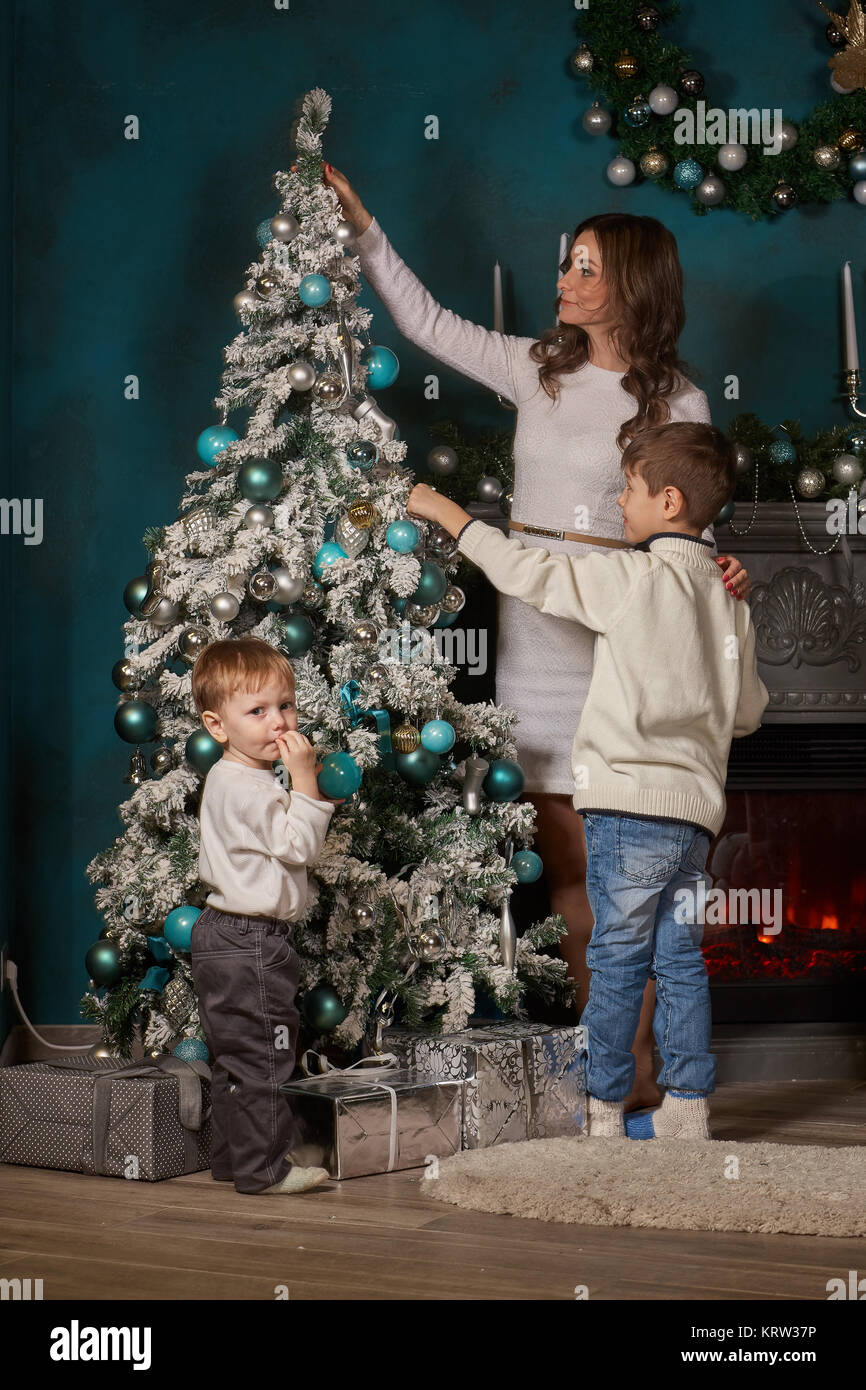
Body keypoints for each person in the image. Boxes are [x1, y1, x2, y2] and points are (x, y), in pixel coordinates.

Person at [321, 162, 750, 1112]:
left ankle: (636, 1071)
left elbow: (690, 516)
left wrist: (718, 570)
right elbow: (424, 323)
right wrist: (364, 228)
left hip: (627, 644)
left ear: (633, 282)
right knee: (571, 871)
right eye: (567, 264)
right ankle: (615, 1071)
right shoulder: (535, 368)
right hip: (537, 638)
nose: (566, 280)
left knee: (633, 876)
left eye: (587, 268)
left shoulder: (678, 399)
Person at [406, 419, 769, 1140]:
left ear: (668, 502)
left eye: (628, 492)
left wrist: (448, 514)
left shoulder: (631, 578)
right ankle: (687, 1111)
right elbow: (748, 713)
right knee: (682, 964)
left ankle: (603, 1114)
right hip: (695, 818)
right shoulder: (731, 603)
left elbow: (526, 574)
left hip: (627, 811)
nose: (618, 507)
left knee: (616, 965)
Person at [190, 636, 344, 1193]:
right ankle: (266, 1171)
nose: (277, 722)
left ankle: (236, 1160)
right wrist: (306, 782)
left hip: (225, 937)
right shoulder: (245, 787)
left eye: (286, 706)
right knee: (268, 1056)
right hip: (250, 941)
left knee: (237, 1059)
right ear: (217, 726)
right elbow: (298, 847)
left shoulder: (238, 778)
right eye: (257, 711)